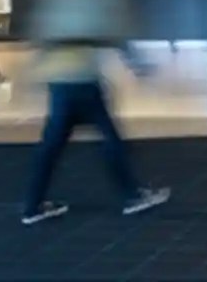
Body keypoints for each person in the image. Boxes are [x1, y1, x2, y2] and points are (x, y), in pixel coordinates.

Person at [21, 37, 170, 225]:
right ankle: (132, 195)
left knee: (51, 146)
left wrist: (33, 70)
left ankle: (33, 205)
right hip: (83, 78)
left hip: (59, 81)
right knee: (109, 138)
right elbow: (110, 34)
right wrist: (136, 62)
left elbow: (43, 41)